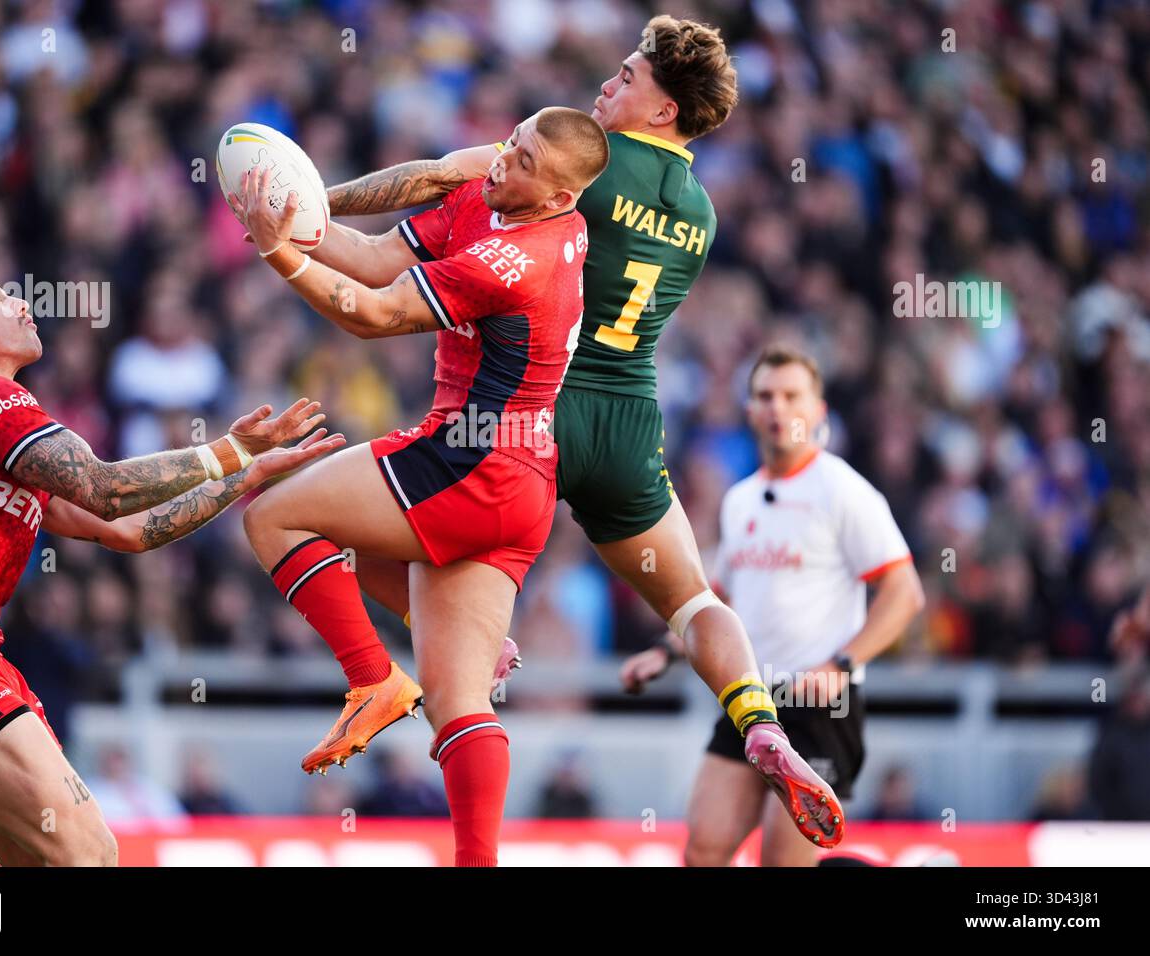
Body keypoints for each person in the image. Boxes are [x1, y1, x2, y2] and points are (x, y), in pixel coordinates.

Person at [311, 15, 844, 847]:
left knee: (385, 549)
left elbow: (439, 179)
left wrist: (310, 202)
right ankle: (761, 722)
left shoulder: (578, 158)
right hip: (626, 426)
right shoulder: (701, 214)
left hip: (529, 411)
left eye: (628, 76)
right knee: (694, 598)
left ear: (663, 109)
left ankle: (472, 660)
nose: (607, 85)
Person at [0, 261, 343, 866]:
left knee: (54, 863)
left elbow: (131, 530)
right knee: (91, 853)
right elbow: (104, 487)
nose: (19, 302)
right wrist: (228, 450)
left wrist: (245, 476)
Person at [230, 106, 608, 866]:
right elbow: (372, 257)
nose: (502, 163)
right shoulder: (504, 192)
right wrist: (300, 211)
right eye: (512, 144)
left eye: (525, 162)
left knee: (275, 517)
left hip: (466, 459)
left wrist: (280, 254)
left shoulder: (518, 261)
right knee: (459, 701)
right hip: (522, 487)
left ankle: (372, 679)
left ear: (559, 199)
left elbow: (373, 313)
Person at [621, 346, 926, 865]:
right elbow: (719, 603)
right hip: (751, 699)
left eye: (791, 396)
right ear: (749, 411)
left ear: (818, 411)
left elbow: (906, 593)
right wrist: (665, 651)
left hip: (820, 704)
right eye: (765, 396)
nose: (778, 408)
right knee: (703, 852)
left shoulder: (843, 491)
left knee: (784, 864)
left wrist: (842, 666)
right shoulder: (740, 499)